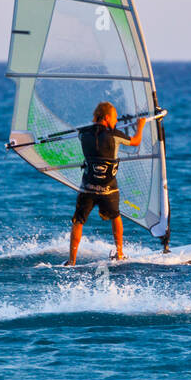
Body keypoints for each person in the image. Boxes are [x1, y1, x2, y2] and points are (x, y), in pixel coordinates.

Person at [65, 102, 148, 266]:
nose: (116, 121)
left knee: (78, 221)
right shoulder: (115, 135)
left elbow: (89, 130)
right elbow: (136, 141)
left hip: (87, 187)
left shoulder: (83, 133)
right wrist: (141, 125)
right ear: (107, 117)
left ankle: (72, 261)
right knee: (116, 217)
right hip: (108, 189)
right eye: (115, 118)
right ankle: (119, 254)